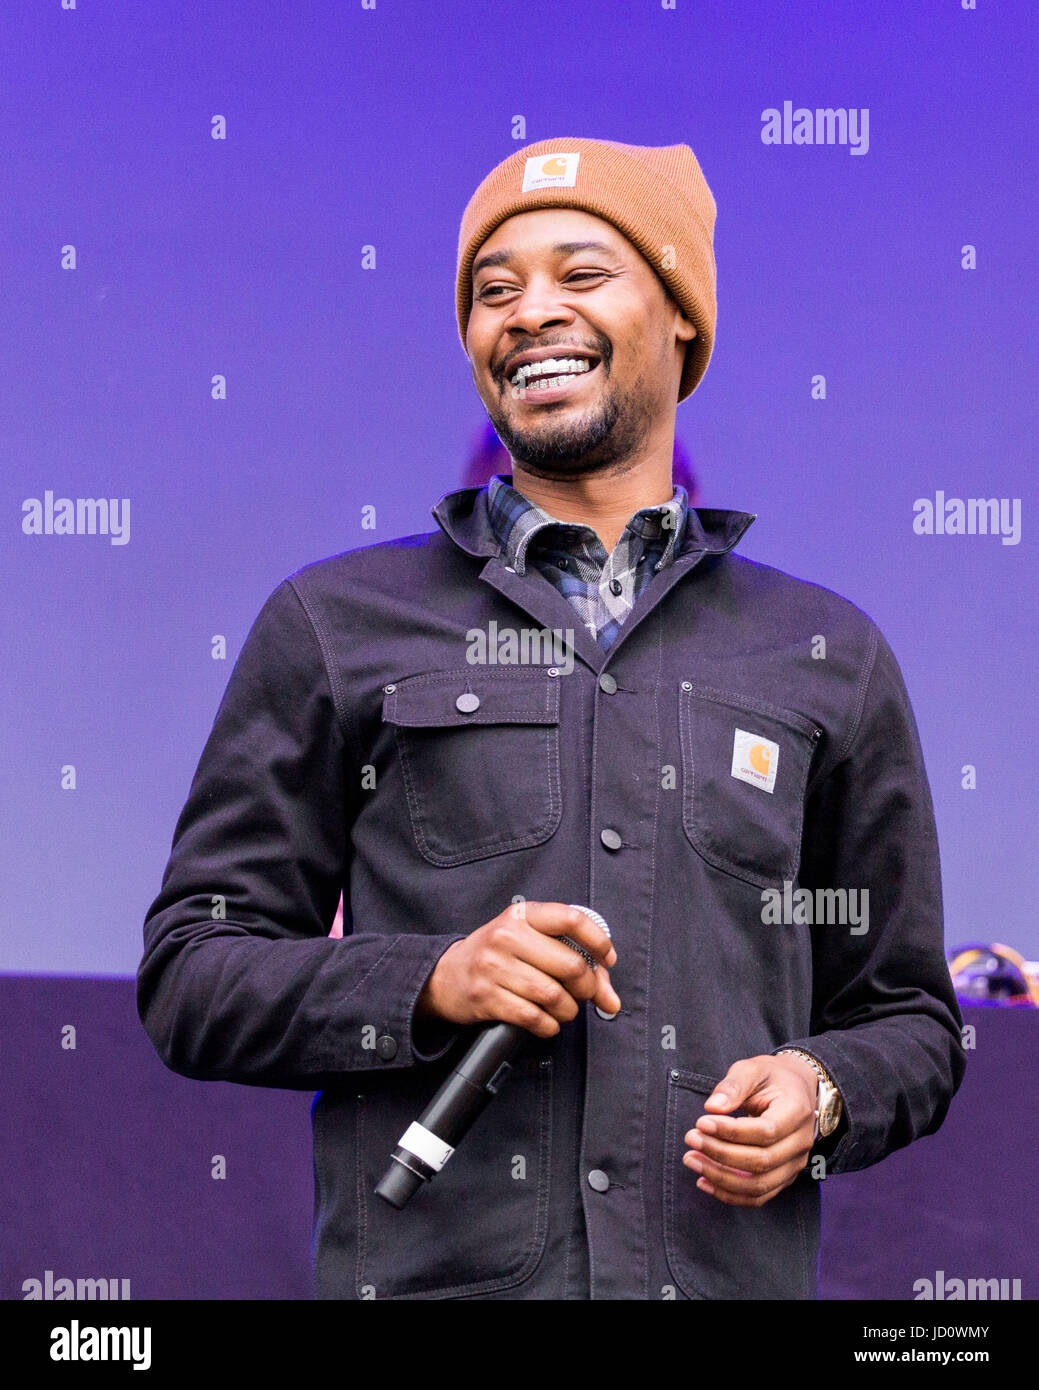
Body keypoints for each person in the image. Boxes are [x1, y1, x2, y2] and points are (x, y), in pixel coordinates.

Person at [138, 136, 965, 1300]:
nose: (528, 313)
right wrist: (431, 981)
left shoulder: (827, 654)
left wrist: (821, 1093)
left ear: (680, 316)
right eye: (493, 290)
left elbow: (912, 1020)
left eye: (580, 276)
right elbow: (192, 975)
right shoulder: (333, 623)